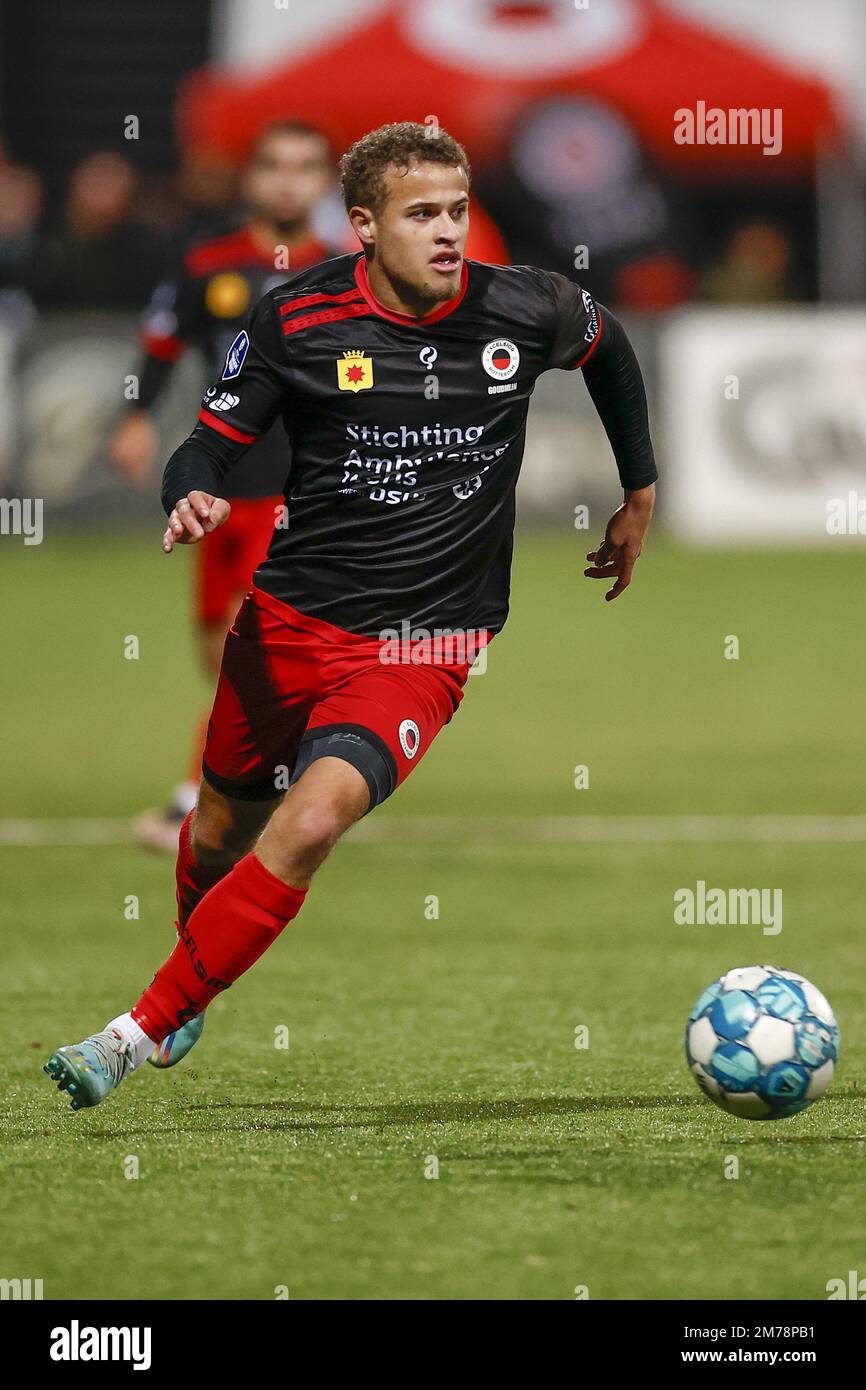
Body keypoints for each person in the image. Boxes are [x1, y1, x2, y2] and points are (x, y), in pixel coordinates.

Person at [44, 121, 657, 1109]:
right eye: (423, 214)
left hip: (426, 643)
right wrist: (188, 491)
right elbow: (204, 440)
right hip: (289, 622)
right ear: (364, 225)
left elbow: (609, 346)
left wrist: (638, 489)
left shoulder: (522, 304)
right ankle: (193, 970)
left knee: (312, 817)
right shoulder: (296, 318)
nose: (449, 232)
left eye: (456, 210)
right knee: (214, 832)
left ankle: (130, 1032)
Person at [108, 120, 338, 852]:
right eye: (274, 164)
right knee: (219, 658)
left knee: (248, 653)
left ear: (326, 182)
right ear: (251, 177)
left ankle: (191, 803)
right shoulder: (211, 262)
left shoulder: (344, 271)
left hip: (296, 494)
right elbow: (162, 339)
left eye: (305, 167)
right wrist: (138, 415)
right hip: (216, 493)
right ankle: (291, 775)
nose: (288, 180)